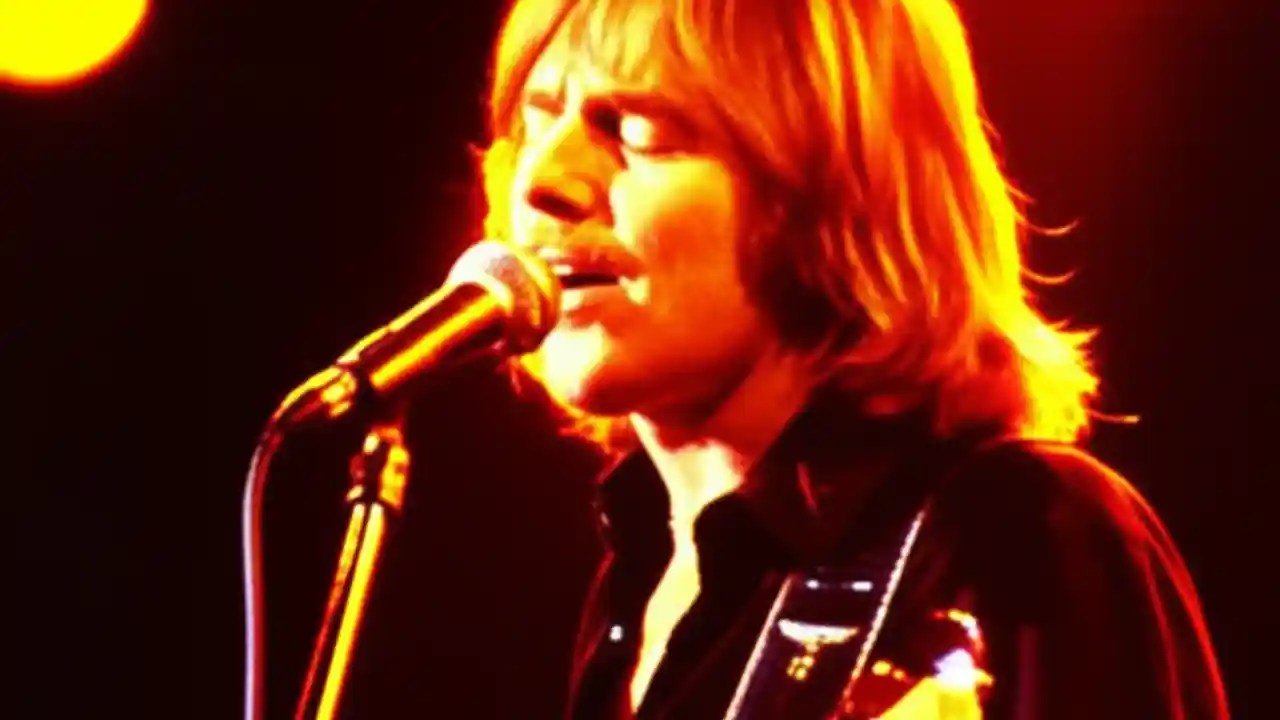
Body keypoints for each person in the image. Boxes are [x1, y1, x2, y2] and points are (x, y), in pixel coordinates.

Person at [475, 0, 1230, 717]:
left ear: (832, 187)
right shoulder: (630, 585)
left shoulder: (1020, 539)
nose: (544, 180)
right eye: (534, 122)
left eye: (635, 128)